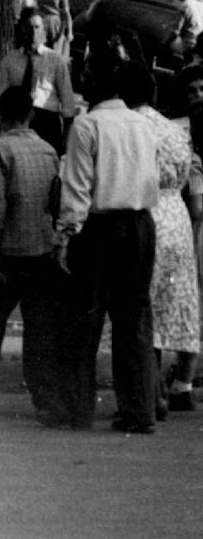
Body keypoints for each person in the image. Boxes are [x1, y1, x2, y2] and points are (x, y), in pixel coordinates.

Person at [51, 54, 160, 433]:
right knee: (134, 320)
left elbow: (78, 187)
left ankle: (76, 408)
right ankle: (140, 408)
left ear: (98, 83)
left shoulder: (87, 125)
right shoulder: (142, 124)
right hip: (141, 222)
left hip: (99, 226)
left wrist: (65, 234)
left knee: (84, 318)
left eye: (87, 75)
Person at [0, 85, 67, 415]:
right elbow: (55, 201)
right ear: (31, 115)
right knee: (38, 326)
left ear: (0, 116)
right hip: (41, 247)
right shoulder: (49, 151)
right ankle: (42, 394)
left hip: (9, 249)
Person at [130, 71, 199, 422]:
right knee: (170, 302)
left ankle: (152, 391)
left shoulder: (133, 127)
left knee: (144, 307)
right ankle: (171, 387)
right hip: (178, 217)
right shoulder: (174, 130)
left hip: (148, 211)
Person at [0, 10, 77, 156]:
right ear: (21, 30)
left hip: (46, 122)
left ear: (44, 31)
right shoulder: (10, 61)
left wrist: (66, 137)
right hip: (19, 121)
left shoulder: (55, 60)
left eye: (37, 28)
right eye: (28, 27)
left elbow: (67, 100)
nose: (32, 33)